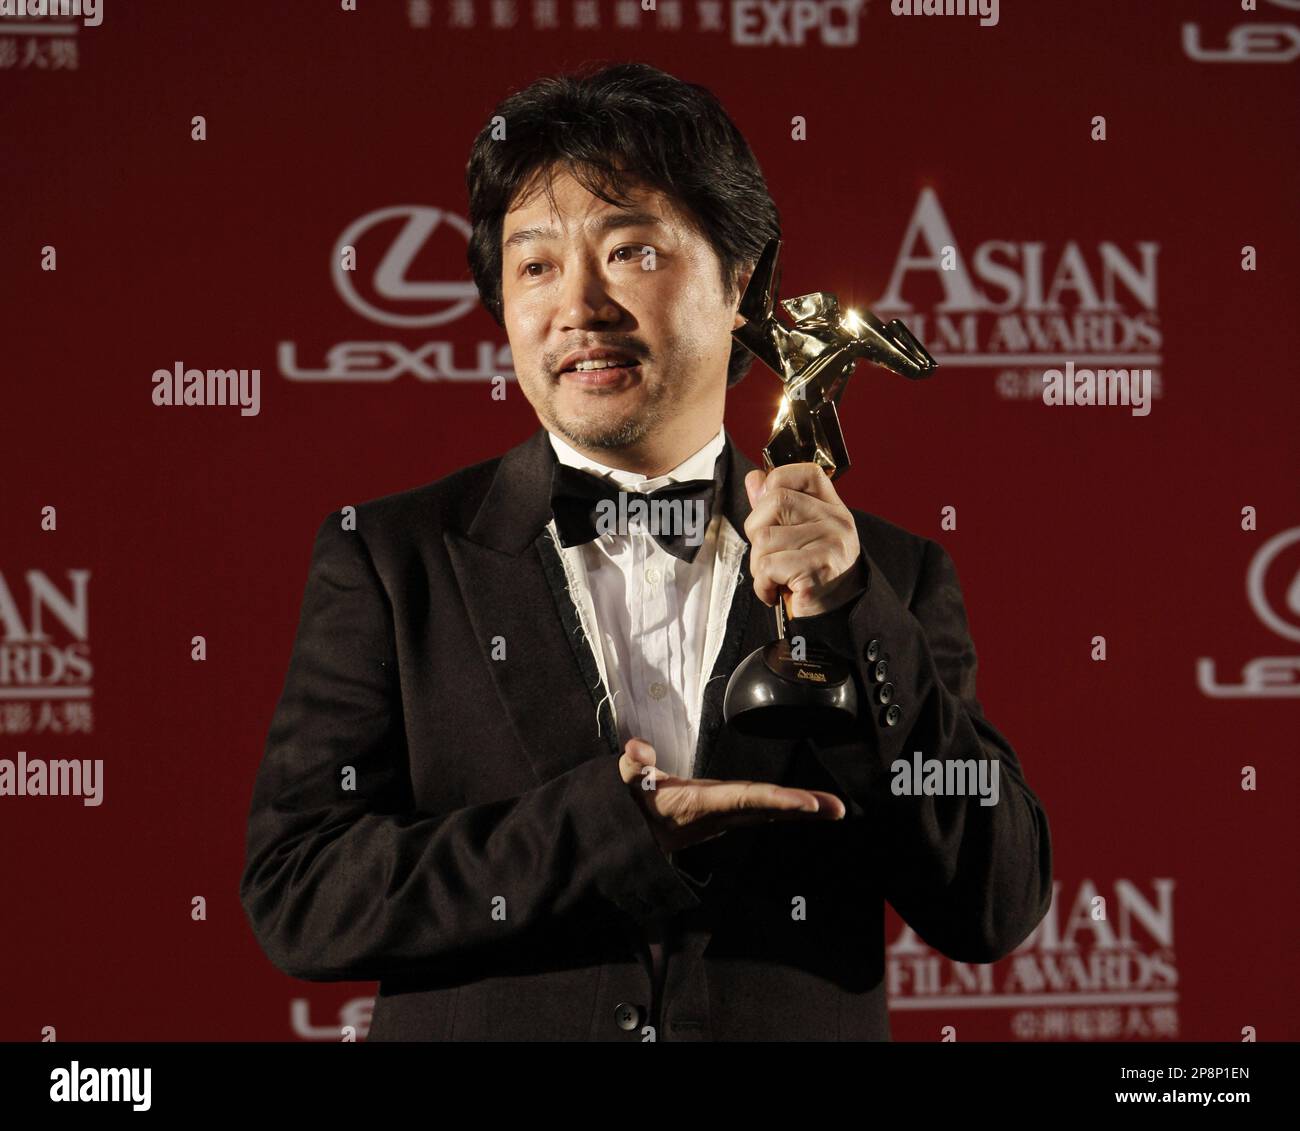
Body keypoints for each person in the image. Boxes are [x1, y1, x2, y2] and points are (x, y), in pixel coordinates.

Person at [239, 61, 1052, 1041]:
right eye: (535, 265)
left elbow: (995, 901)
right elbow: (300, 892)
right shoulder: (390, 560)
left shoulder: (889, 577)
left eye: (630, 251)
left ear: (741, 279)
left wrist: (849, 614)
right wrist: (607, 830)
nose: (579, 305)